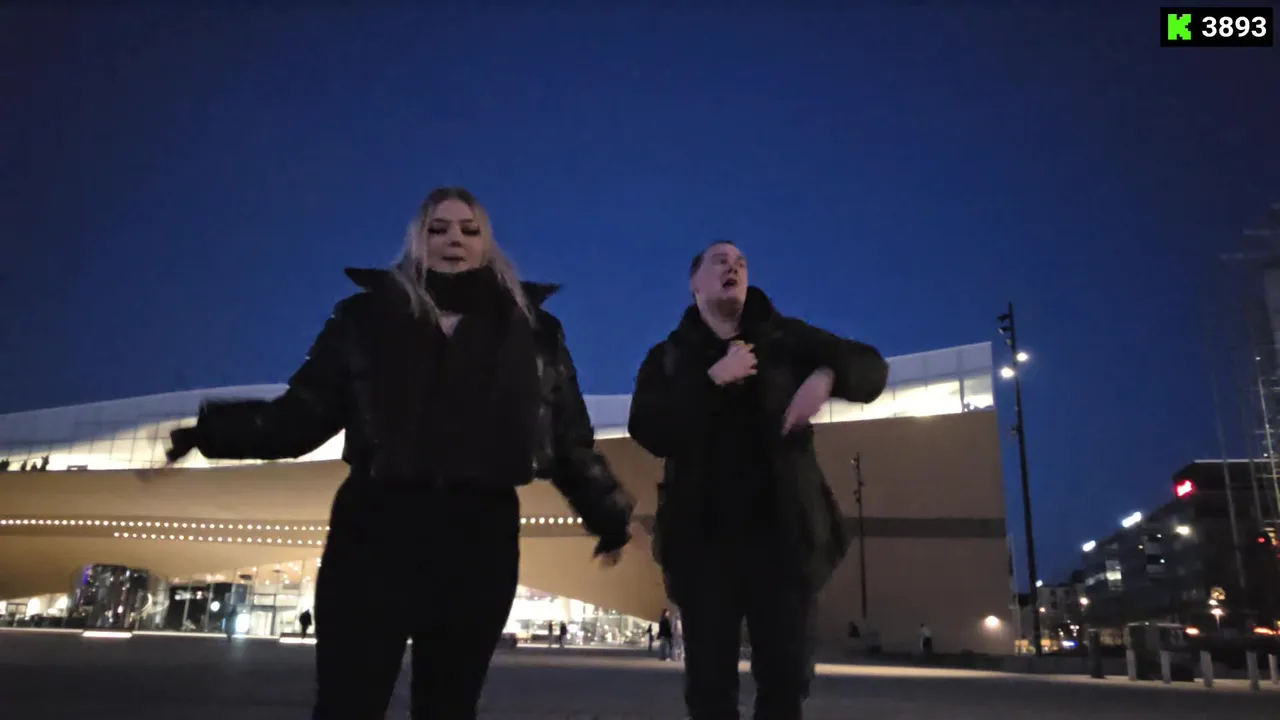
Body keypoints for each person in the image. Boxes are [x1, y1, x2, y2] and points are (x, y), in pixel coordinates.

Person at [163, 186, 635, 719]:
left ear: (486, 244)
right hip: (375, 530)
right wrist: (211, 431)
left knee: (449, 706)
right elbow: (300, 417)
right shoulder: (365, 319)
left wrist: (608, 515)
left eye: (468, 229)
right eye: (438, 228)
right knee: (348, 703)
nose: (453, 239)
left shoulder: (533, 330)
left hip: (478, 538)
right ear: (417, 241)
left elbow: (568, 440)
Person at [627, 240, 888, 720]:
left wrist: (828, 376)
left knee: (785, 686)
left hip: (783, 539)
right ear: (694, 282)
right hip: (704, 545)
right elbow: (648, 429)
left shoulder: (786, 339)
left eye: (741, 263)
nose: (734, 268)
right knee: (709, 692)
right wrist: (712, 380)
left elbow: (872, 368)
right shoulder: (668, 357)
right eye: (720, 261)